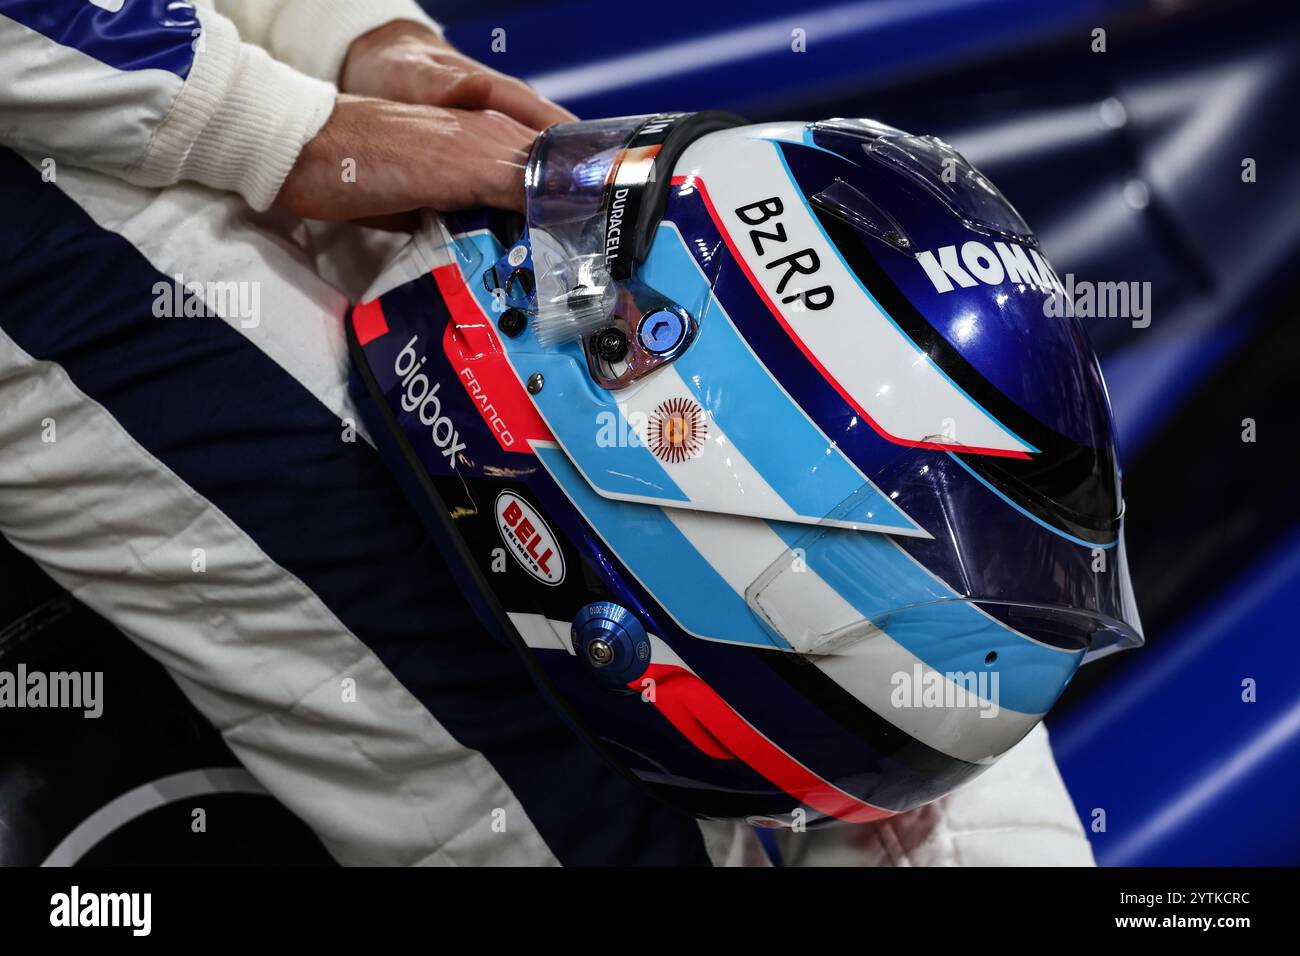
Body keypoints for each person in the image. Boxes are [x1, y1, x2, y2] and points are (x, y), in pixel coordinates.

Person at [0, 0, 1098, 865]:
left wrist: (356, 41)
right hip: (51, 171)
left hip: (146, 66)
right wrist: (287, 128)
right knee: (524, 756)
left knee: (918, 618)